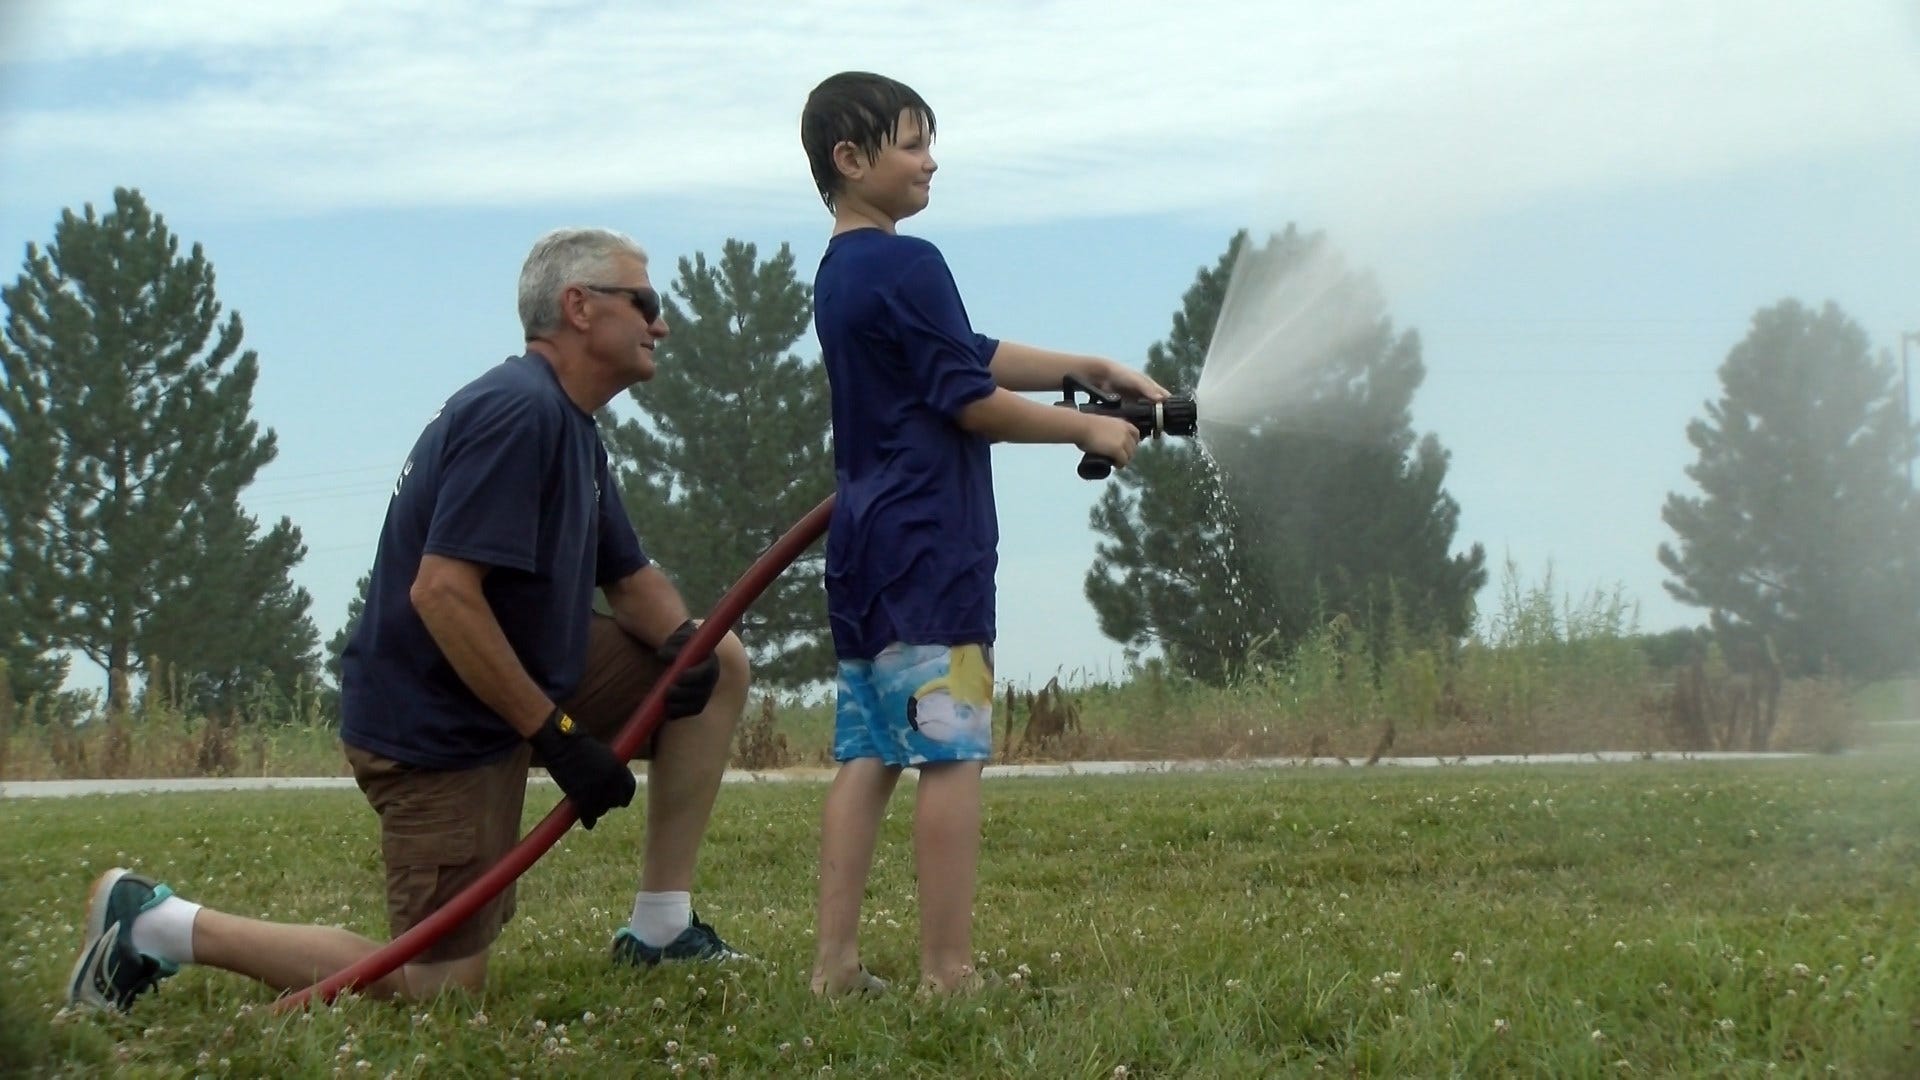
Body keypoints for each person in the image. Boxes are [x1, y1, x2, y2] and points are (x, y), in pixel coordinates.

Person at [66, 228, 752, 1014]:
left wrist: (680, 643)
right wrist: (559, 737)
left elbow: (627, 577)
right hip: (438, 728)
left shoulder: (570, 427)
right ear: (579, 307)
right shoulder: (516, 414)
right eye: (645, 301)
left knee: (719, 660)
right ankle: (154, 923)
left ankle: (661, 928)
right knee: (437, 989)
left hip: (518, 683)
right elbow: (442, 593)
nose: (661, 324)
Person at [798, 72, 1167, 997]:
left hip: (866, 548)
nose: (931, 161)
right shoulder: (912, 263)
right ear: (851, 159)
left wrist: (1085, 366)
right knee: (950, 752)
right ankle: (948, 972)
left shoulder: (843, 274)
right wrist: (1084, 428)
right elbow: (968, 397)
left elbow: (961, 351)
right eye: (913, 144)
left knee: (869, 752)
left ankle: (834, 965)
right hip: (934, 546)